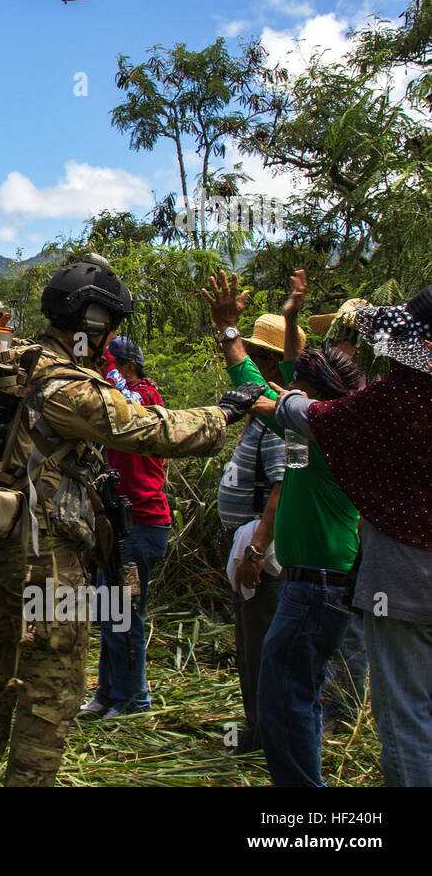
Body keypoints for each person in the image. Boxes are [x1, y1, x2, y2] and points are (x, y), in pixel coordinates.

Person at [0, 258, 259, 786]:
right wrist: (223, 413)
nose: (111, 337)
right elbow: (146, 428)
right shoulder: (65, 386)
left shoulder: (15, 360)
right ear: (92, 323)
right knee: (52, 689)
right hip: (43, 559)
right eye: (109, 326)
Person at [254, 284, 432, 786]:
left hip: (405, 580)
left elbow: (308, 416)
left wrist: (278, 400)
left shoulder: (399, 401)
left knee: (405, 718)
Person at [204, 271, 361, 787]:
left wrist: (228, 330)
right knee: (299, 697)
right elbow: (287, 374)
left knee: (282, 705)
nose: (288, 390)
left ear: (312, 396)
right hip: (322, 583)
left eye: (299, 388)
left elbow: (250, 385)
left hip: (313, 589)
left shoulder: (321, 433)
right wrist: (291, 316)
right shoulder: (337, 418)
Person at [204, 301, 295, 754]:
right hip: (252, 544)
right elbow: (242, 370)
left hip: (264, 552)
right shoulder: (267, 404)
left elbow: (281, 489)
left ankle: (268, 735)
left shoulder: (280, 420)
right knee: (250, 643)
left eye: (261, 358)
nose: (251, 369)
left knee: (262, 646)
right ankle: (259, 728)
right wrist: (227, 329)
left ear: (278, 364)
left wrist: (256, 554)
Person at [80, 335, 172, 718]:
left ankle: (134, 698)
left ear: (127, 366)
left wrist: (109, 368)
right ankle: (108, 693)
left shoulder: (145, 396)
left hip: (142, 523)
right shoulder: (114, 398)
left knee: (123, 613)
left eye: (108, 362)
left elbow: (131, 411)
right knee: (110, 612)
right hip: (119, 523)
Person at [307, 295, 372, 730]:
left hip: (360, 532)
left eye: (346, 338)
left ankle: (343, 712)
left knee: (351, 628)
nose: (339, 346)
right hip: (348, 530)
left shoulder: (366, 400)